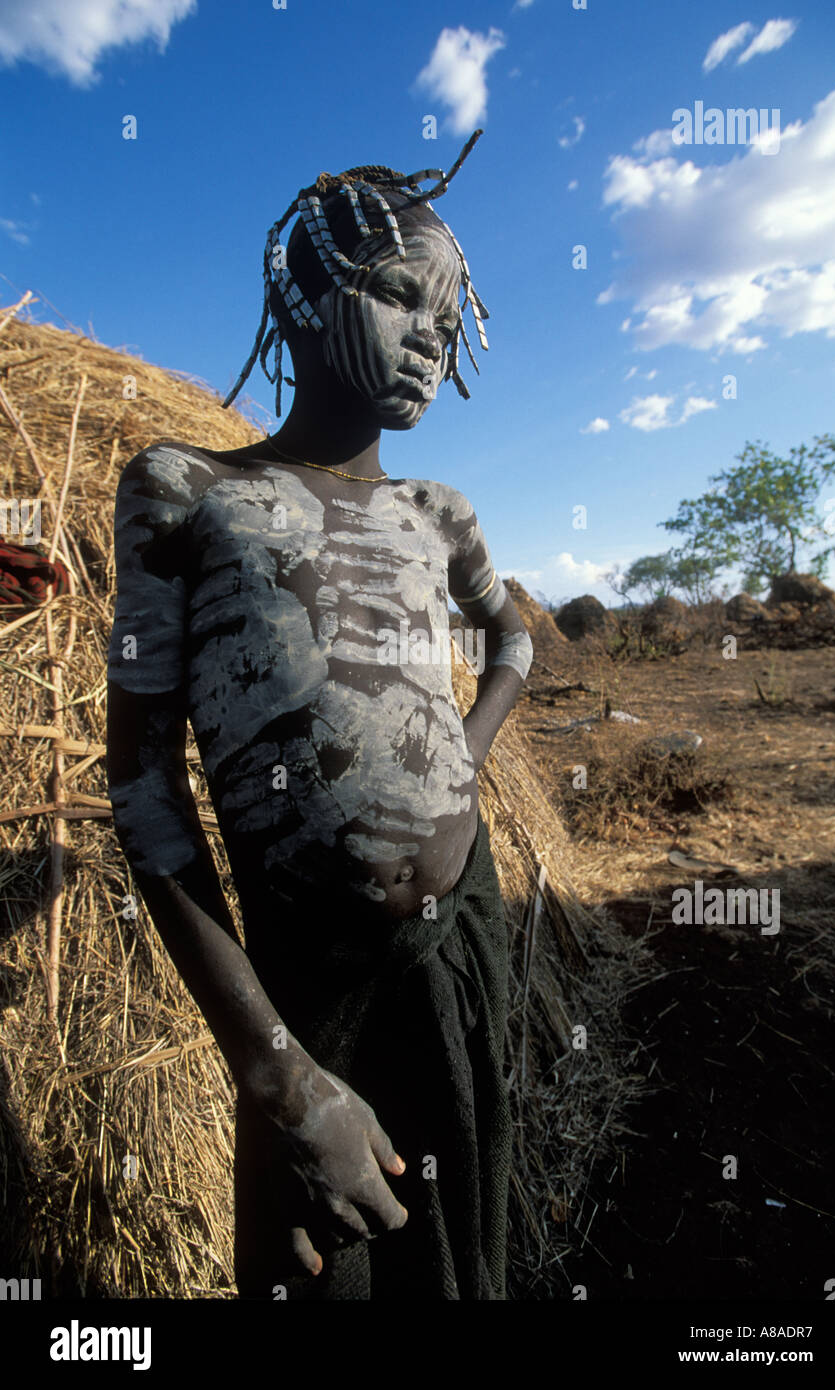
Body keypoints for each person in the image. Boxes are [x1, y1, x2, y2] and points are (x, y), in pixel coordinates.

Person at [106, 132, 533, 1300]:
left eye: (447, 320)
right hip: (308, 987)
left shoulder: (437, 509)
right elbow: (139, 781)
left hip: (457, 950)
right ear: (298, 293)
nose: (429, 336)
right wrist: (273, 1067)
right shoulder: (185, 490)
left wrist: (462, 753)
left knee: (461, 1261)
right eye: (399, 294)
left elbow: (514, 638)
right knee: (320, 1276)